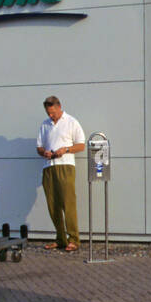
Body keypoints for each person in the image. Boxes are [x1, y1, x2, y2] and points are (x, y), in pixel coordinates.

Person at [37, 96, 85, 252]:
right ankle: (60, 239)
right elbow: (39, 146)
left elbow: (81, 145)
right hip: (49, 167)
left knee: (68, 203)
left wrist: (66, 149)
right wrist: (44, 152)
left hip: (65, 166)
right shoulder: (45, 124)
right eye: (48, 113)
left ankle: (74, 240)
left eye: (52, 112)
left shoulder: (71, 122)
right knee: (53, 205)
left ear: (59, 107)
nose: (50, 116)